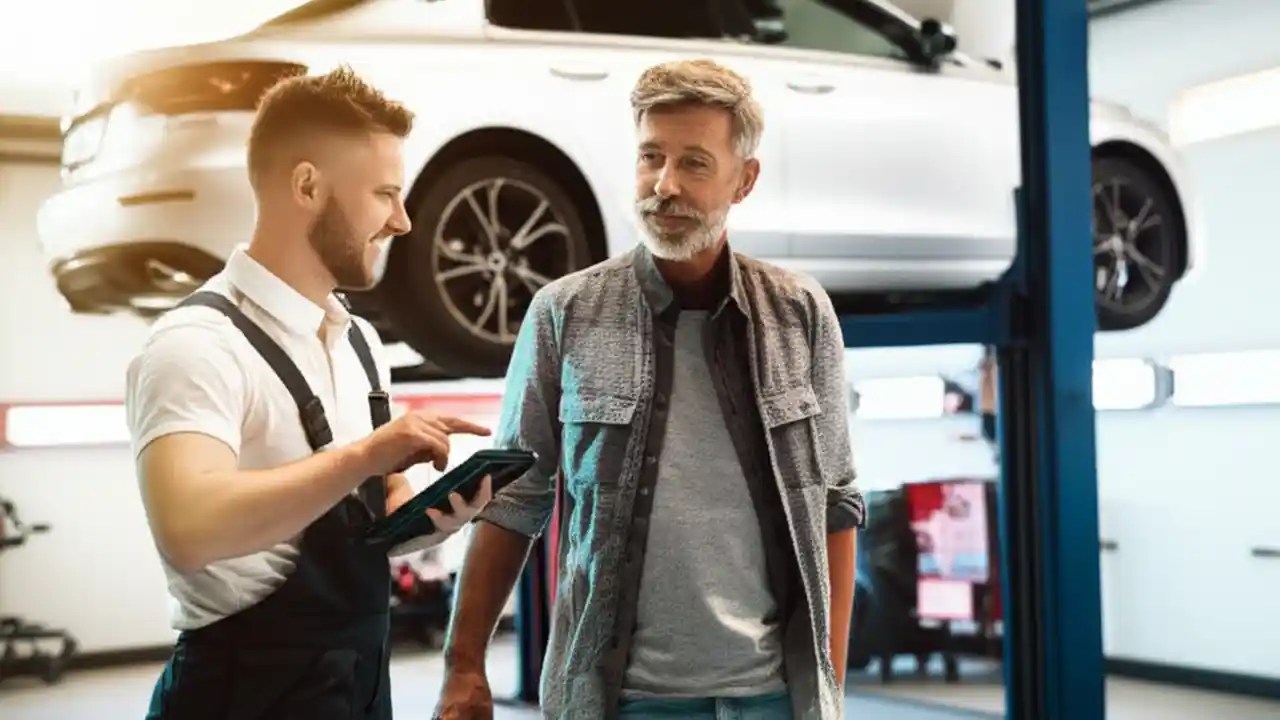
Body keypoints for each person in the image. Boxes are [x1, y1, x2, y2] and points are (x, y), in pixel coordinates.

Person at [435, 59, 865, 720]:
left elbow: (837, 504)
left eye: (694, 163)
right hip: (622, 702)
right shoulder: (564, 315)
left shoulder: (800, 314)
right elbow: (512, 503)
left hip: (775, 700)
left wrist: (825, 686)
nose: (664, 185)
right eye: (650, 157)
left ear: (743, 179)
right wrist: (464, 665)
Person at [127, 66, 493, 720]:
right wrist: (367, 455)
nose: (404, 221)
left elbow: (371, 513)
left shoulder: (359, 344)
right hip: (239, 696)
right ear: (307, 185)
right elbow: (188, 529)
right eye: (385, 194)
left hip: (359, 686)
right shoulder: (195, 344)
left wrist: (430, 516)